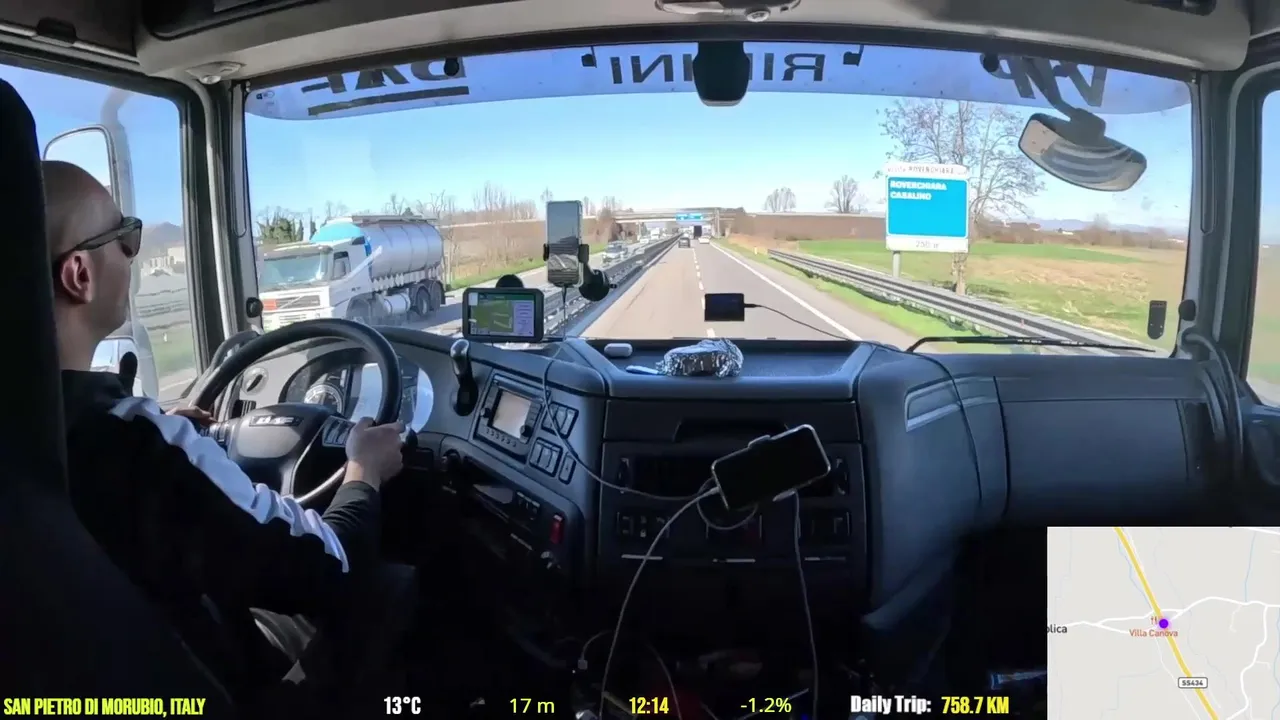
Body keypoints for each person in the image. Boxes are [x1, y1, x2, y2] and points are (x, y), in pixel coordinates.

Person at [44, 160, 411, 712]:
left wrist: (169, 431)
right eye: (125, 237)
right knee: (392, 587)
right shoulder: (141, 450)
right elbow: (330, 565)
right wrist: (364, 469)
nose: (132, 252)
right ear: (79, 275)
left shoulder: (55, 434)